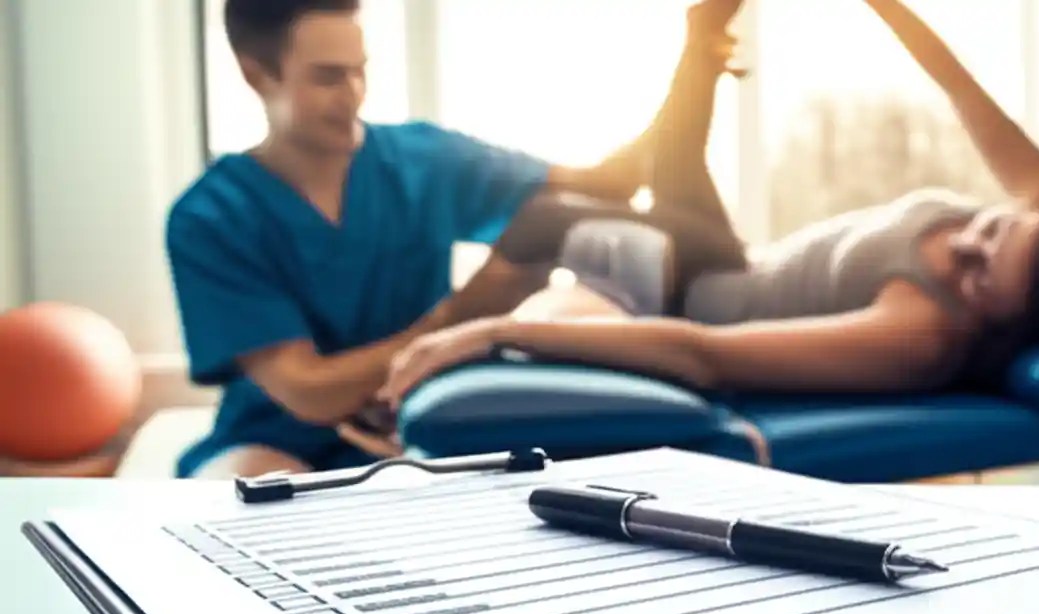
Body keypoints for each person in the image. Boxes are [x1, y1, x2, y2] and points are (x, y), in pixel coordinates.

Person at [371, 0, 1039, 431]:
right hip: (726, 257)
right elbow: (964, 91)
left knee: (546, 221)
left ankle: (402, 365)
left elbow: (708, 356)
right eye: (993, 225)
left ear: (1003, 324)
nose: (969, 240)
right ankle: (699, 47)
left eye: (979, 273)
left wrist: (495, 330)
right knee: (663, 158)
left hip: (685, 291)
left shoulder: (918, 334)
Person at [167, 0, 668, 478]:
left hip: (422, 425)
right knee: (253, 493)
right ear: (256, 73)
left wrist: (695, 66)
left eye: (360, 69)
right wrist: (462, 316)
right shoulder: (211, 216)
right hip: (274, 440)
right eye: (328, 77)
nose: (354, 93)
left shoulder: (425, 159)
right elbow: (309, 393)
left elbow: (608, 182)